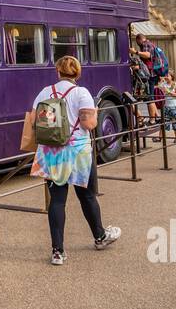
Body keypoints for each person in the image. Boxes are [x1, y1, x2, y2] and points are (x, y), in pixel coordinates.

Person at [33, 56, 120, 266]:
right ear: (78, 73)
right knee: (87, 196)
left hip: (52, 152)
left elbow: (35, 120)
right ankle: (99, 237)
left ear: (58, 72)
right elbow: (89, 124)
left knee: (57, 201)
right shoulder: (81, 93)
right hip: (78, 151)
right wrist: (95, 113)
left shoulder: (45, 92)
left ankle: (57, 252)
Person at [156, 71, 176, 136]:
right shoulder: (164, 84)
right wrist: (161, 81)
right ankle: (160, 137)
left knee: (175, 123)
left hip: (174, 106)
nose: (166, 77)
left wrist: (169, 92)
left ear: (172, 77)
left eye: (168, 76)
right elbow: (158, 87)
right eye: (165, 76)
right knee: (163, 122)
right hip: (166, 106)